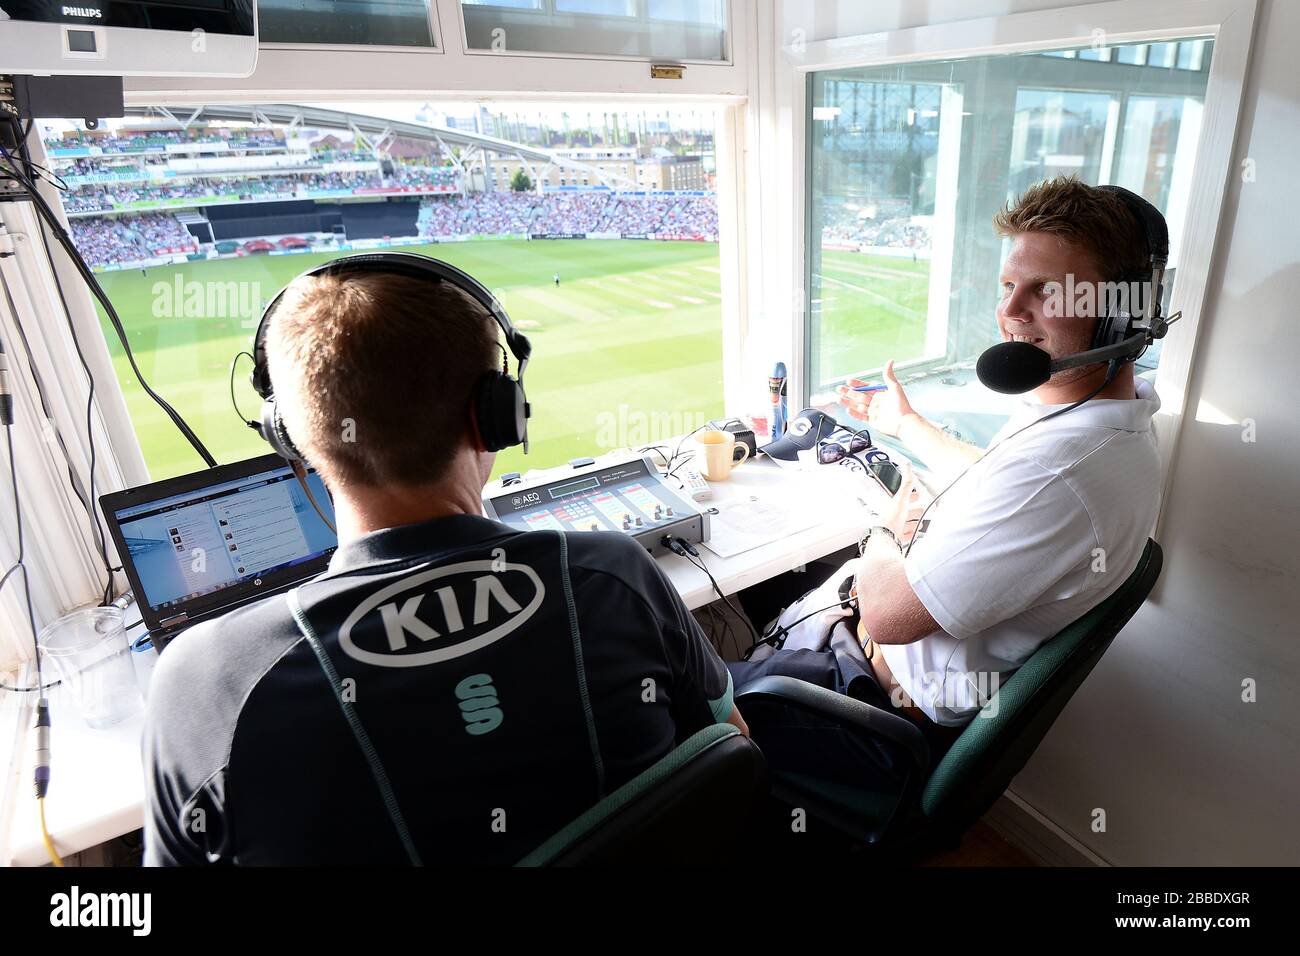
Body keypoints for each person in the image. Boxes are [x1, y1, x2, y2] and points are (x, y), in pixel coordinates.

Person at [143, 258, 746, 866]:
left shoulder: (206, 684)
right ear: (494, 417)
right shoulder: (616, 576)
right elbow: (735, 756)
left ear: (292, 440)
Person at [729, 177, 1163, 792]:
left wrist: (885, 537)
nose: (1011, 312)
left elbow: (886, 617)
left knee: (676, 682)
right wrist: (905, 423)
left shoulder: (1062, 470)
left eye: (1047, 291)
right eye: (1011, 286)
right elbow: (1000, 475)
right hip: (886, 675)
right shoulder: (1105, 420)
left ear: (1123, 311)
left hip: (876, 711)